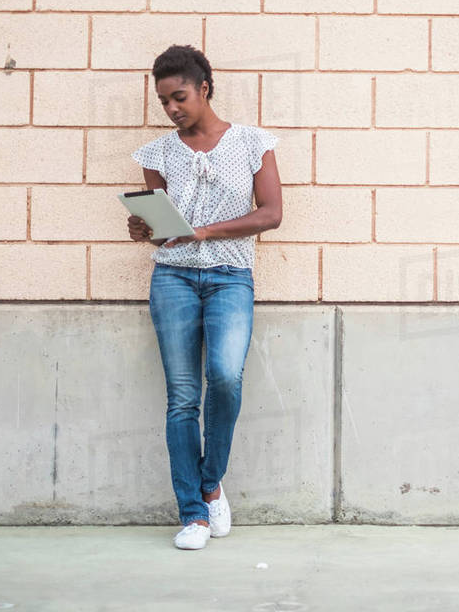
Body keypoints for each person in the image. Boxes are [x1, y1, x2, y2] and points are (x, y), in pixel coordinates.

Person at [126, 44, 282, 550]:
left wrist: (206, 232)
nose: (172, 108)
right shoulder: (158, 153)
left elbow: (271, 214)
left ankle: (211, 480)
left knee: (225, 377)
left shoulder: (252, 143)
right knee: (182, 399)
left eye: (179, 96)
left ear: (204, 89)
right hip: (172, 279)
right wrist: (143, 229)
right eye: (164, 101)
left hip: (231, 277)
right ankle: (193, 513)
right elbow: (161, 232)